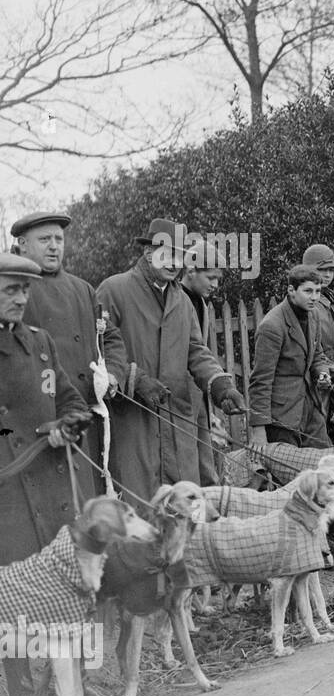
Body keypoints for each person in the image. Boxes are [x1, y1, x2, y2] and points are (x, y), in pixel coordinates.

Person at [0, 253, 97, 696]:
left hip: (53, 485)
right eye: (10, 289)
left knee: (65, 589)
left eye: (25, 290)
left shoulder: (39, 344)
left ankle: (71, 689)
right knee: (12, 591)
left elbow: (73, 401)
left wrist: (66, 424)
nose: (21, 298)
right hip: (9, 491)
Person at [96, 220, 246, 502]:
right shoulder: (113, 290)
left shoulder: (183, 302)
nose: (174, 262)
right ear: (149, 252)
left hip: (177, 423)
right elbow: (98, 349)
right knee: (137, 508)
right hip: (132, 421)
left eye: (180, 255)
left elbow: (196, 351)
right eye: (168, 253)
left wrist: (221, 385)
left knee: (181, 510)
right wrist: (135, 379)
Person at [11, 210, 127, 496]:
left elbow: (109, 336)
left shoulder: (83, 289)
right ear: (23, 245)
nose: (54, 246)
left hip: (86, 419)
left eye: (59, 239)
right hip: (40, 425)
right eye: (44, 239)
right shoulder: (13, 290)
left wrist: (112, 373)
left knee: (92, 502)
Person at [248, 265, 334, 447]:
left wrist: (322, 373)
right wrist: (259, 429)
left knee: (323, 465)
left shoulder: (313, 315)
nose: (314, 297)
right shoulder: (272, 326)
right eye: (308, 291)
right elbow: (260, 381)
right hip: (283, 417)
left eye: (318, 291)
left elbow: (317, 355)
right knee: (288, 473)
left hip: (312, 410)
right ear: (291, 290)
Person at [301, 243, 334, 438]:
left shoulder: (328, 299)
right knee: (319, 427)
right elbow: (315, 348)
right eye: (322, 269)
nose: (327, 275)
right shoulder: (309, 304)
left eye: (331, 270)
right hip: (318, 376)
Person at [178, 257, 224, 483]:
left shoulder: (200, 303)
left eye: (218, 278)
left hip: (198, 392)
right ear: (191, 271)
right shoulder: (175, 299)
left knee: (205, 460)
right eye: (211, 277)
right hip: (178, 393)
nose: (215, 284)